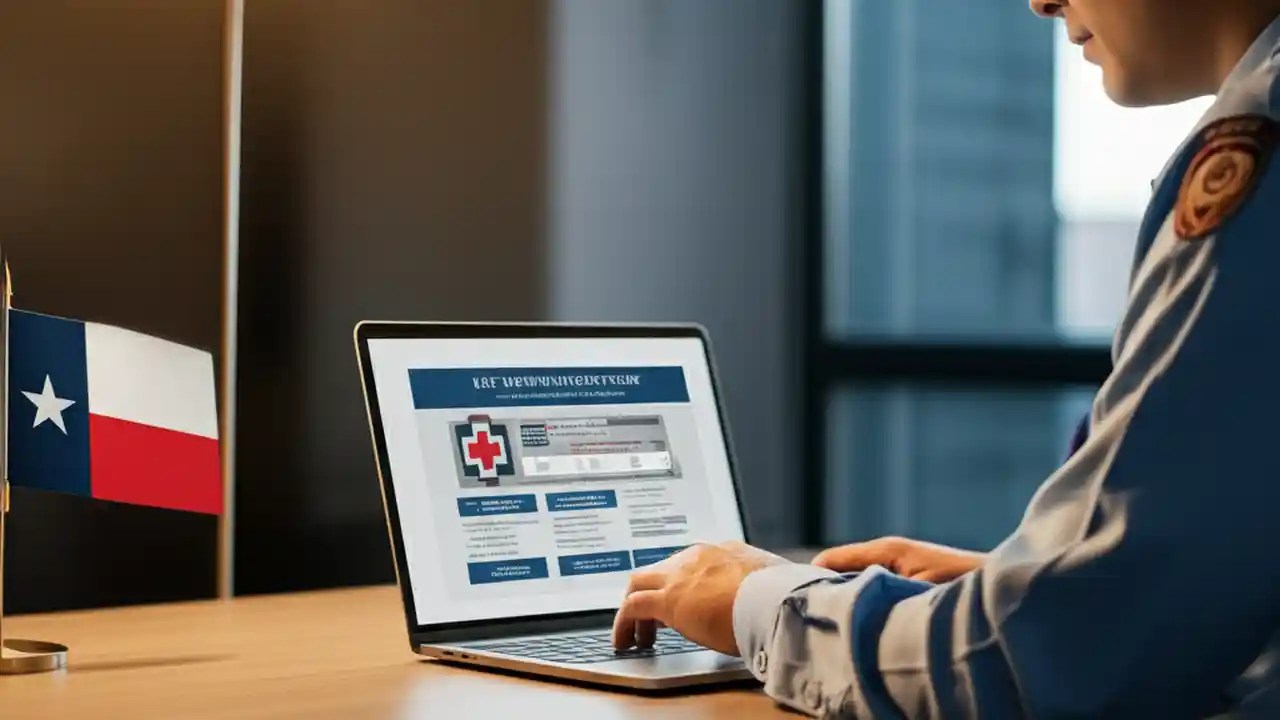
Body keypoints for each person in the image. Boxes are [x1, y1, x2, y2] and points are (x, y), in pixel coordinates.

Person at [611, 1, 1280, 717]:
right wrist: (1040, 584)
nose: (1041, 1)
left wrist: (762, 603)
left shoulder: (1255, 168)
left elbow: (1032, 669)